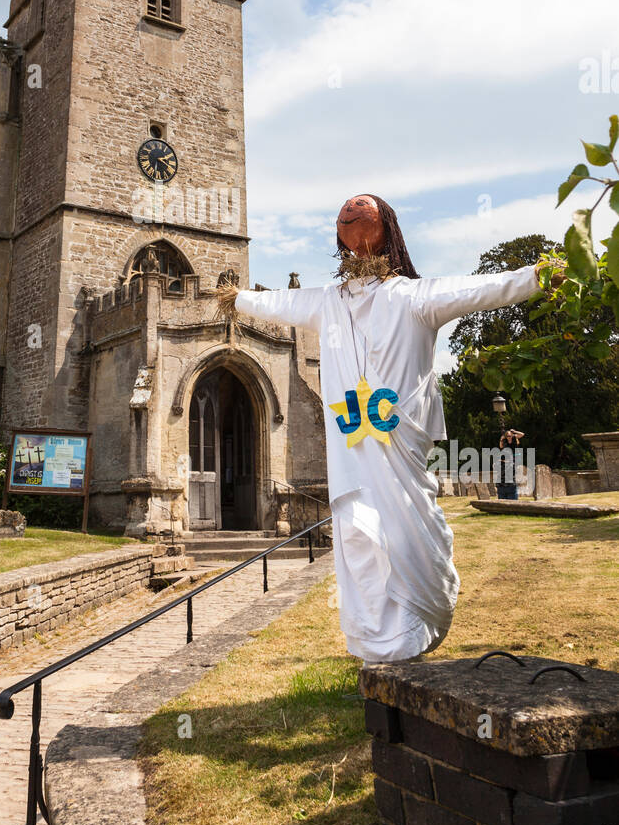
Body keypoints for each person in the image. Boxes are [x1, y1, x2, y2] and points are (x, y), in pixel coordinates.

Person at [216, 194, 561, 664]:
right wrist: (239, 300)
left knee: (408, 536)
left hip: (400, 447)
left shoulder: (416, 298)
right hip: (352, 450)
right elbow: (281, 303)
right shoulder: (327, 303)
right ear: (340, 237)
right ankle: (378, 645)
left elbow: (481, 288)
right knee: (359, 536)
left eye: (364, 213)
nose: (353, 214)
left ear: (387, 231)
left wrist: (535, 277)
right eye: (347, 216)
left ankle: (412, 633)